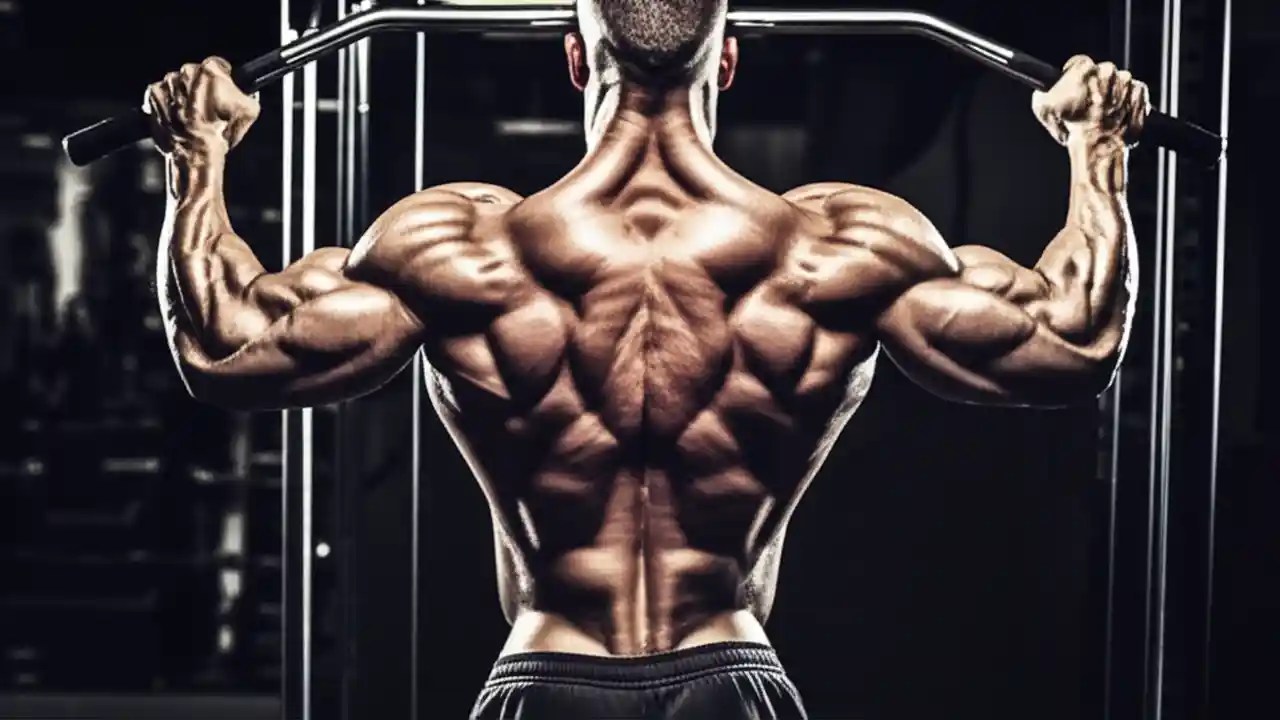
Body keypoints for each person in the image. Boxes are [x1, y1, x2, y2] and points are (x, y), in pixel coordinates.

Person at [142, 1, 1149, 717]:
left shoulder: (461, 250)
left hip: (545, 670)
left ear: (574, 62)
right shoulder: (836, 248)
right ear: (731, 61)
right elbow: (1072, 342)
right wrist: (1093, 151)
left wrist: (200, 156)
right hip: (729, 671)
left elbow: (225, 344)